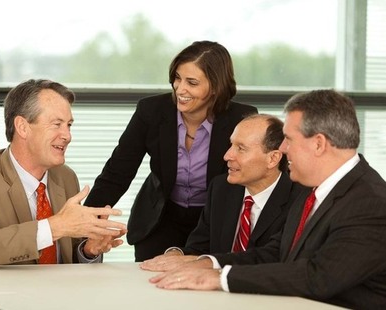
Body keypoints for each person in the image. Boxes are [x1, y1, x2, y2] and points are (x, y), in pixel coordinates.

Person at [149, 89, 386, 309]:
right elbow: (276, 252)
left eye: (289, 139)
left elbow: (319, 277)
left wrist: (221, 278)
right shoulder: (313, 191)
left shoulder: (371, 203)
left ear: (318, 144)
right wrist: (207, 263)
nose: (283, 148)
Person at [84, 41, 258, 262]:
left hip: (213, 221)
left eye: (192, 83)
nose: (180, 89)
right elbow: (117, 172)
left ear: (216, 87)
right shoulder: (152, 111)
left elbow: (256, 178)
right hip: (161, 218)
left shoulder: (241, 119)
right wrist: (87, 222)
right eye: (177, 78)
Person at [0, 79, 127, 269]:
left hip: (60, 294)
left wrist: (88, 251)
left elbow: (68, 259)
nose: (67, 136)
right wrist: (54, 227)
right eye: (57, 124)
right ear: (22, 127)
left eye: (68, 125)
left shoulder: (65, 177)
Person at [140, 114, 305, 272]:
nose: (227, 156)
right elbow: (199, 248)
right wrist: (177, 254)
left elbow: (276, 260)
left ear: (273, 158)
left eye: (241, 148)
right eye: (231, 145)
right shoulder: (221, 188)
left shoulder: (300, 199)